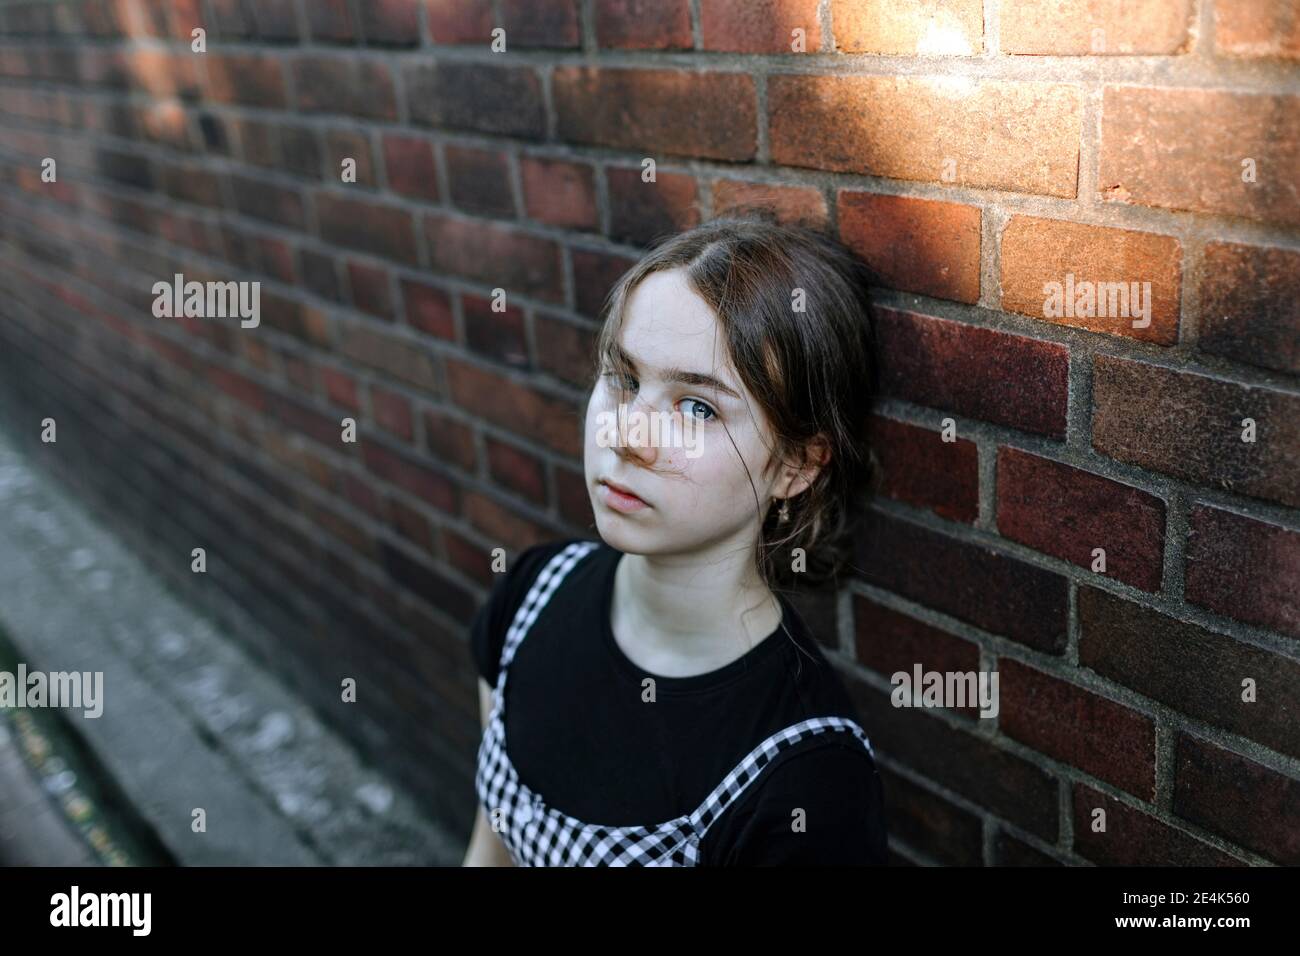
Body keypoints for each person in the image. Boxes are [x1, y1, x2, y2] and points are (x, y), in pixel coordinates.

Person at [462, 212, 888, 866]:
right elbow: (492, 846)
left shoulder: (804, 779)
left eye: (698, 407)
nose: (626, 434)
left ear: (798, 465)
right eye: (626, 379)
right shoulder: (532, 594)